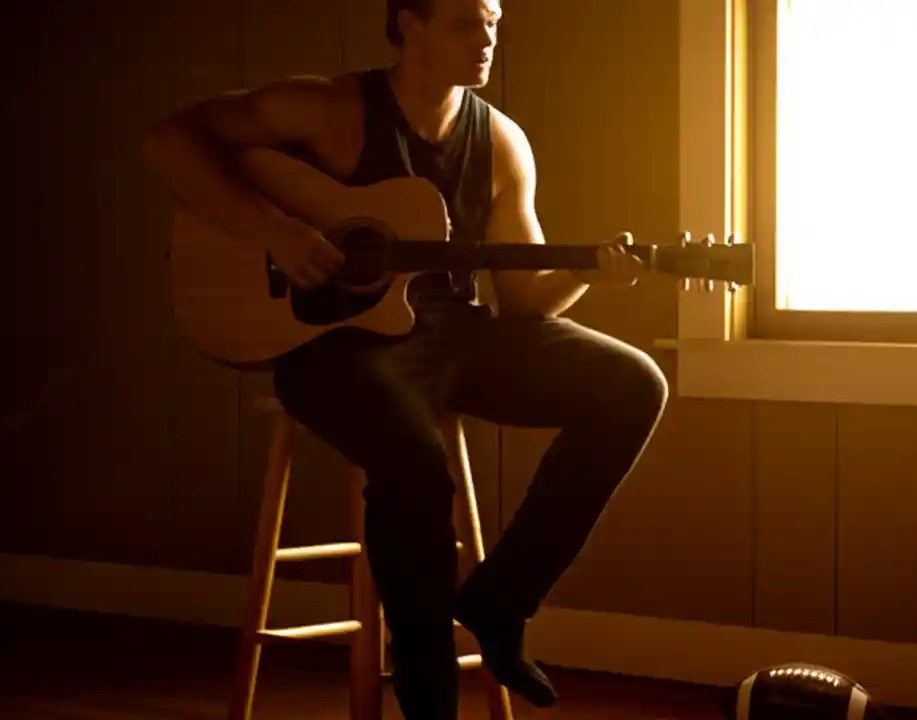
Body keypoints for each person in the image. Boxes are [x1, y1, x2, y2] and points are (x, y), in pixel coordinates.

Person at [142, 0, 669, 717]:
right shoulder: (328, 108)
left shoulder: (502, 143)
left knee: (633, 383)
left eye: (493, 21)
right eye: (463, 22)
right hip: (332, 345)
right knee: (417, 466)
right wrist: (278, 232)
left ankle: (500, 601)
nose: (486, 39)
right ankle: (429, 700)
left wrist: (588, 272)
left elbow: (520, 303)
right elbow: (171, 140)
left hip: (453, 336)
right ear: (408, 23)